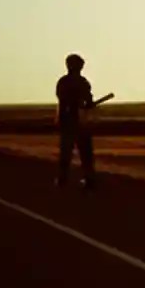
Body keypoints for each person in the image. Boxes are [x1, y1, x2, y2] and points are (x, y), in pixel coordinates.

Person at [56, 53, 97, 190]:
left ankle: (65, 179)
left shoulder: (64, 82)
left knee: (69, 153)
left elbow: (62, 102)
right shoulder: (81, 82)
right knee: (84, 153)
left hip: (73, 122)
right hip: (77, 122)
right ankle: (88, 179)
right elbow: (88, 101)